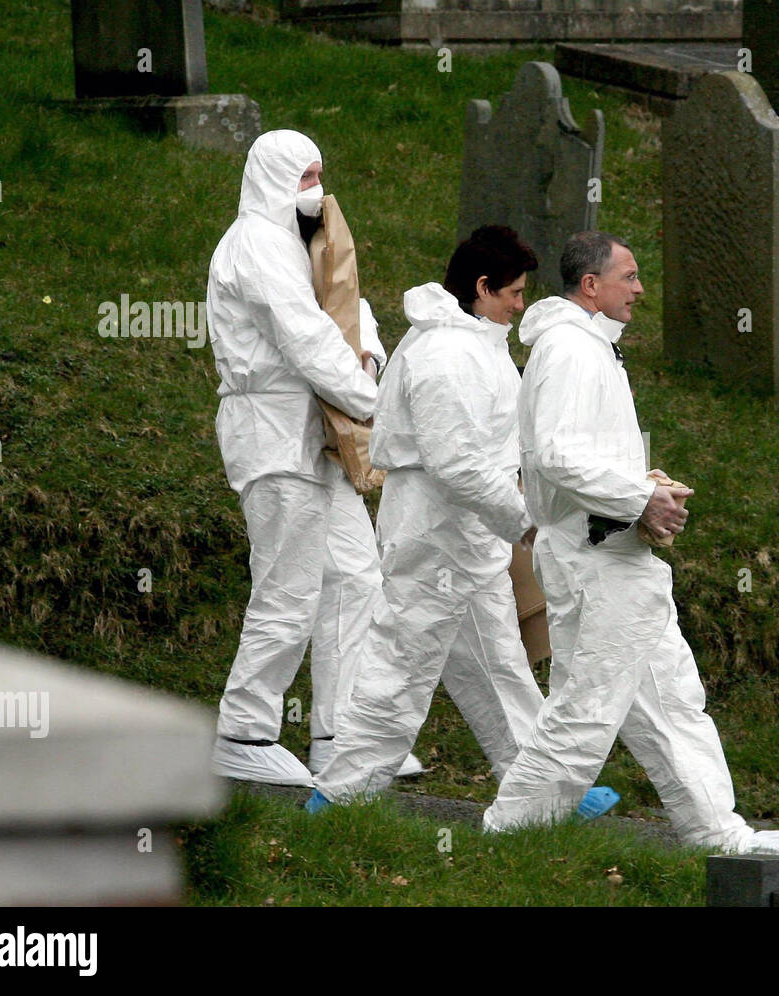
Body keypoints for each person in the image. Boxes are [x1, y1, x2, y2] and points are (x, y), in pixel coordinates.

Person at [481, 232, 779, 854]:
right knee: (586, 707)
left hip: (615, 556)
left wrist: (645, 488)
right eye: (628, 277)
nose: (639, 289)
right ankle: (510, 832)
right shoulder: (571, 349)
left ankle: (717, 834)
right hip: (596, 559)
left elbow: (578, 457)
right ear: (591, 286)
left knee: (673, 700)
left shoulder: (591, 347)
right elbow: (556, 455)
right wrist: (639, 498)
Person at [313, 226, 583, 809]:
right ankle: (341, 794)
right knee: (402, 665)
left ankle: (540, 789)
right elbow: (456, 463)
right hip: (434, 534)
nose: (520, 304)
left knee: (499, 665)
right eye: (513, 292)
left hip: (468, 533)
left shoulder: (473, 343)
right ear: (482, 288)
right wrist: (525, 521)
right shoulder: (446, 354)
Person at [205, 129, 418, 786]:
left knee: (355, 579)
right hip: (273, 433)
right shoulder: (255, 244)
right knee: (288, 588)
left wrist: (370, 363)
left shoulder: (303, 242)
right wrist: (376, 402)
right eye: (304, 177)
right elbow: (306, 338)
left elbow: (349, 309)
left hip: (319, 435)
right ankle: (243, 731)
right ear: (273, 178)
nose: (317, 189)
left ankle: (341, 735)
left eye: (320, 174)